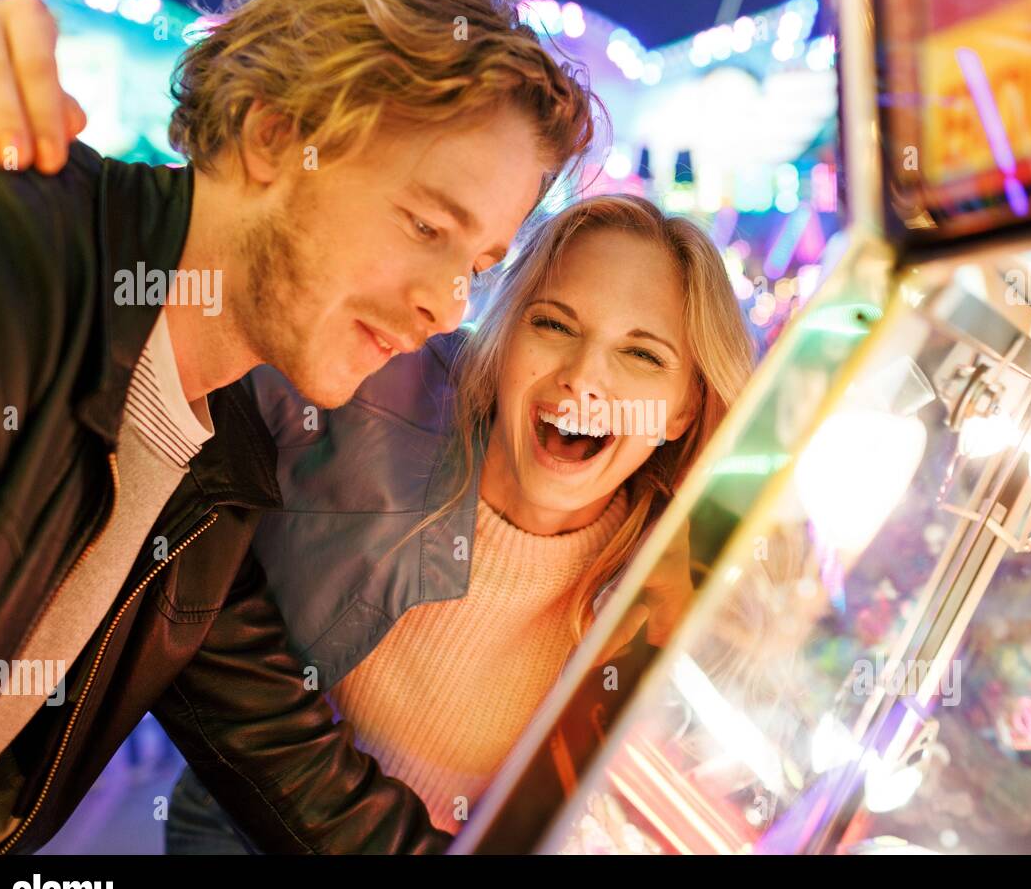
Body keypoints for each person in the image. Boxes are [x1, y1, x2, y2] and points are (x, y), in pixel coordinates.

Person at [0, 0, 593, 854]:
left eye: (479, 265)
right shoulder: (9, 258)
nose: (449, 308)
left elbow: (296, 772)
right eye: (425, 225)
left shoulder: (218, 472)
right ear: (271, 137)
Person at [165, 192, 755, 852]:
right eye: (555, 325)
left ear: (681, 412)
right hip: (240, 830)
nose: (584, 378)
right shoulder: (379, 391)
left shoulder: (670, 590)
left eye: (642, 355)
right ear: (502, 341)